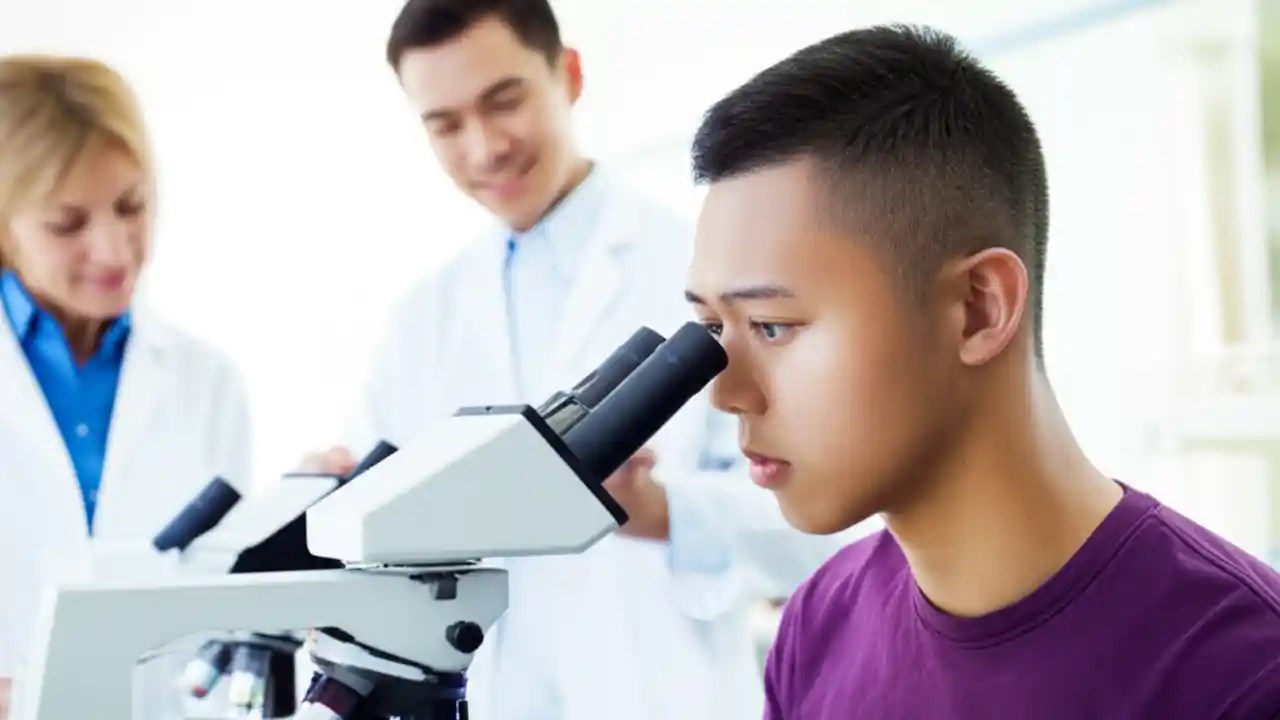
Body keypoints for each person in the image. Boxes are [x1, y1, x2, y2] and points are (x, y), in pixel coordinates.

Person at [683, 24, 1280, 720]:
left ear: (977, 309)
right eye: (711, 329)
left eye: (772, 327)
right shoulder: (818, 627)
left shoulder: (1242, 677)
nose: (727, 393)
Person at [299, 1, 851, 718]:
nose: (484, 147)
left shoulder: (703, 264)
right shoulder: (418, 323)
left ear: (570, 74)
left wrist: (660, 511)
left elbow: (823, 534)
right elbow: (374, 552)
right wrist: (339, 504)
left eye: (506, 101)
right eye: (446, 124)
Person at [0, 56, 253, 719]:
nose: (114, 251)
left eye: (131, 206)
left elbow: (220, 616)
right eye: (67, 224)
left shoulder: (206, 382)